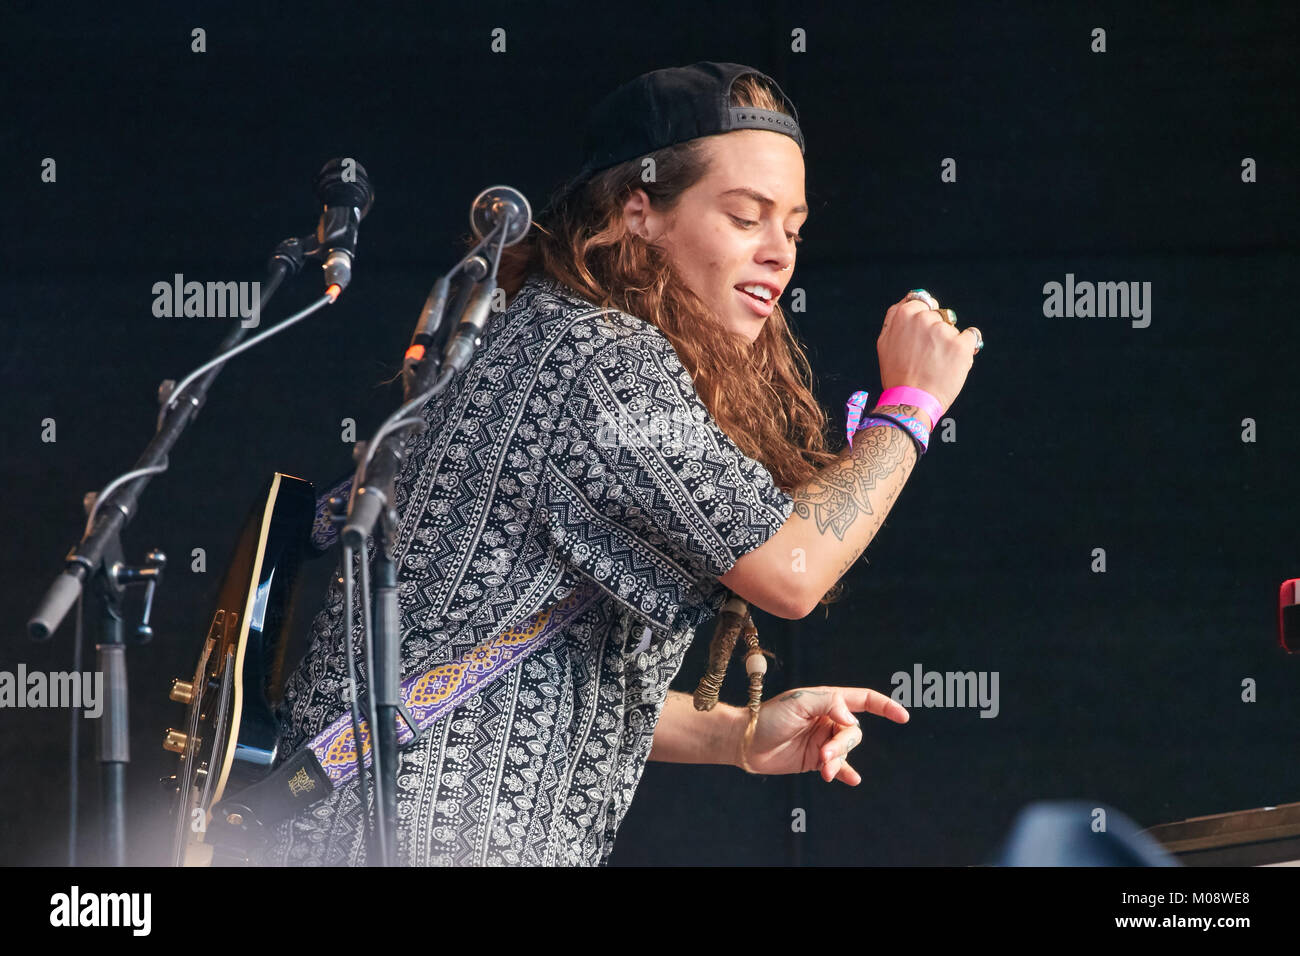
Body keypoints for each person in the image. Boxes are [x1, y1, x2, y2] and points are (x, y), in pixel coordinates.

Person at [257, 61, 982, 866]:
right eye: (747, 217)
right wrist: (911, 406)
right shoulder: (601, 360)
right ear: (638, 212)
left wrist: (736, 735)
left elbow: (516, 670)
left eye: (795, 228)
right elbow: (794, 570)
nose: (781, 253)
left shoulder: (539, 334)